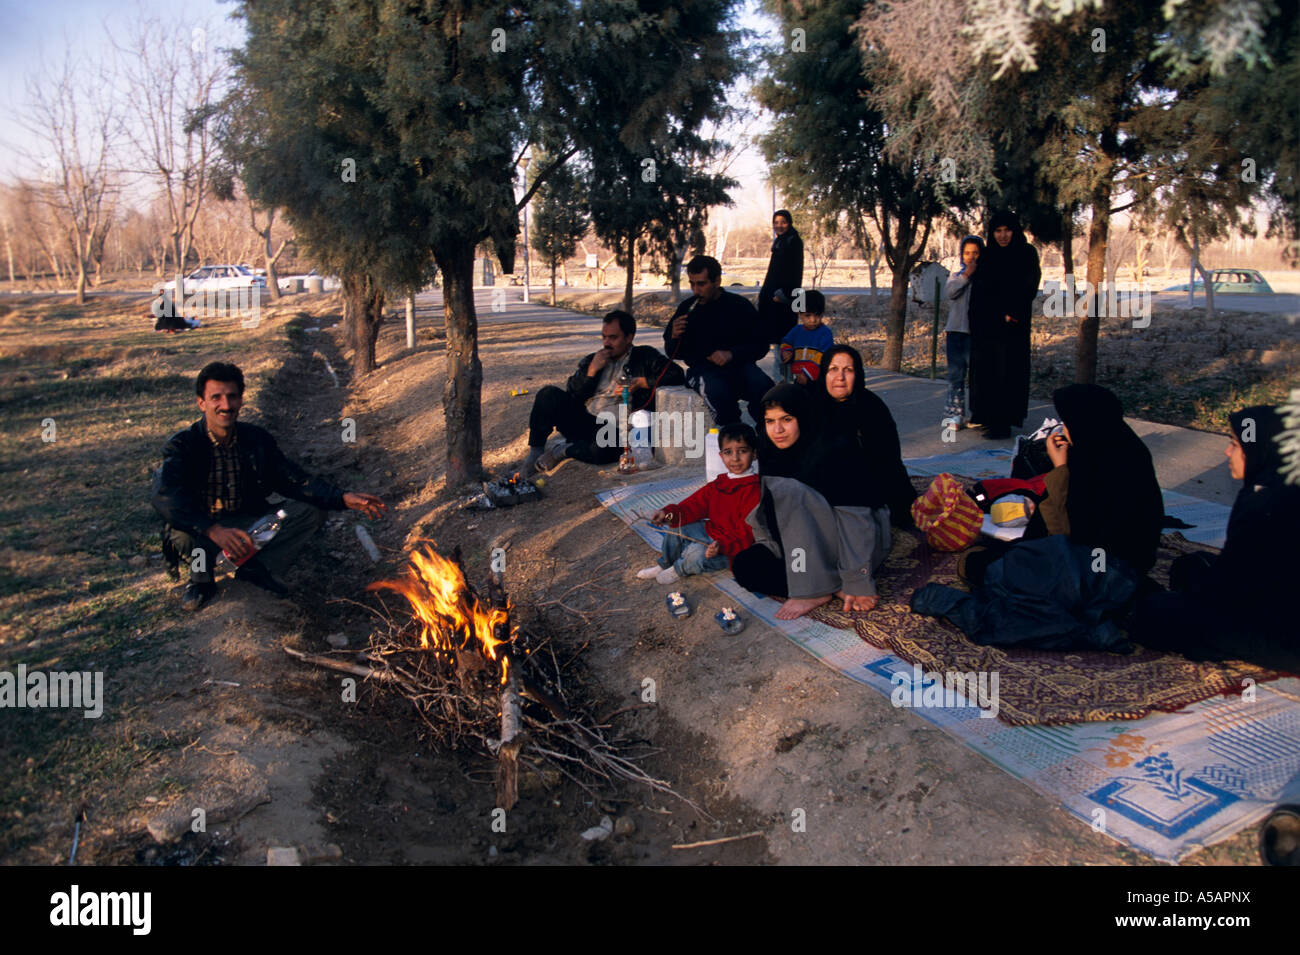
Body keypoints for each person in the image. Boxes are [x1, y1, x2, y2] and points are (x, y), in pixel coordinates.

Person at [911, 384, 1164, 651]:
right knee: (1002, 556)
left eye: (1067, 422)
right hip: (1124, 566)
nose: (1063, 430)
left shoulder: (1092, 466)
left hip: (1098, 569)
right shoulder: (1126, 448)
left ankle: (1086, 623)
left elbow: (1065, 535)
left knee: (985, 566)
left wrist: (1061, 470)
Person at [152, 362, 388, 612]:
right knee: (185, 533)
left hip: (247, 524)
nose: (226, 405)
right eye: (216, 398)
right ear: (202, 403)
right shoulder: (183, 446)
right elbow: (166, 498)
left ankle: (255, 569)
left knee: (309, 511)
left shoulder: (255, 439)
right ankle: (200, 581)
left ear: (241, 400)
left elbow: (294, 481)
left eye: (232, 397)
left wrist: (341, 498)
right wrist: (212, 529)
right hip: (203, 527)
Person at [1130, 405, 1300, 672]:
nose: (1227, 452)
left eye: (1234, 444)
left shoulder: (1262, 503)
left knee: (1149, 614)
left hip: (1278, 635)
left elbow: (1232, 591)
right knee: (1191, 566)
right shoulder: (1282, 489)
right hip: (1273, 608)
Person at [731, 384, 892, 618]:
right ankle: (828, 585)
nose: (777, 430)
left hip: (850, 545)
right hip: (803, 547)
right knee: (746, 567)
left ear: (803, 417)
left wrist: (856, 580)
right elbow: (771, 508)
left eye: (786, 419)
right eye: (770, 421)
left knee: (790, 490)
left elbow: (857, 522)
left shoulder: (835, 449)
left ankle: (815, 589)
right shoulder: (770, 448)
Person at [524, 310, 684, 474]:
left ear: (629, 338)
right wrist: (591, 372)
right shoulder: (593, 359)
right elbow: (573, 393)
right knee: (547, 394)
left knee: (603, 448)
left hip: (615, 428)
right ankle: (535, 452)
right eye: (604, 337)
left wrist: (640, 382)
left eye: (613, 338)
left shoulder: (644, 356)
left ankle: (564, 450)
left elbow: (676, 374)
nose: (607, 343)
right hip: (585, 420)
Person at [636, 422, 760, 584]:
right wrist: (666, 514)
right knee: (678, 526)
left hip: (731, 549)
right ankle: (666, 563)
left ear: (754, 454)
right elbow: (692, 506)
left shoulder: (756, 490)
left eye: (742, 451)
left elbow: (748, 533)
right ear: (721, 456)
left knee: (696, 553)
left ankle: (679, 569)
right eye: (728, 452)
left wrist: (721, 546)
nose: (735, 458)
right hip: (712, 532)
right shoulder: (719, 484)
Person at [814, 344, 917, 529]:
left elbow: (887, 463)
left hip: (865, 487)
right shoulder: (810, 404)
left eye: (848, 370)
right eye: (833, 369)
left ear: (858, 374)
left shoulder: (872, 408)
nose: (840, 377)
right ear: (824, 373)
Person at [664, 255, 773, 426]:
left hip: (740, 366)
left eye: (701, 284)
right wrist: (674, 336)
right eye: (692, 284)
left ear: (717, 281)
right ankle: (735, 435)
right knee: (718, 396)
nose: (695, 290)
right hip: (703, 370)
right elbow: (672, 352)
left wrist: (732, 354)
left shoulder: (739, 306)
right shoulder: (687, 308)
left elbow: (761, 345)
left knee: (767, 392)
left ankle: (767, 438)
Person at [968, 211, 1040, 440]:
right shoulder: (987, 256)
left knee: (1008, 372)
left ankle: (1003, 423)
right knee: (987, 372)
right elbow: (979, 292)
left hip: (1011, 328)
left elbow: (1028, 286)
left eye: (1007, 230)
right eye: (998, 231)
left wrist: (1010, 314)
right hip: (987, 326)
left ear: (1015, 230)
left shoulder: (1026, 253)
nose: (1002, 235)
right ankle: (987, 417)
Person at [943, 235, 983, 426]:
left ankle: (978, 413)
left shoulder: (984, 278)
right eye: (967, 253)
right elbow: (950, 292)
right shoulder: (957, 276)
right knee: (955, 375)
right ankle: (955, 414)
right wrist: (966, 275)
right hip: (955, 332)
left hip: (976, 334)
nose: (971, 257)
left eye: (975, 252)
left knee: (977, 376)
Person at [759, 209, 804, 374]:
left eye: (783, 222)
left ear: (790, 223)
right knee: (778, 342)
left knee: (785, 341)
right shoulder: (780, 242)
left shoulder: (793, 241)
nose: (779, 226)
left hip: (785, 298)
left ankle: (785, 380)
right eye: (776, 222)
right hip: (775, 297)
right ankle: (782, 378)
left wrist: (784, 293)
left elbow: (795, 271)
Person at [779, 289, 833, 384]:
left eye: (817, 315)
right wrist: (786, 351)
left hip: (816, 380)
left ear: (822, 313)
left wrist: (808, 374)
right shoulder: (796, 330)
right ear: (799, 314)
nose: (813, 320)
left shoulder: (825, 333)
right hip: (796, 377)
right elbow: (786, 342)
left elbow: (823, 356)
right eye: (807, 315)